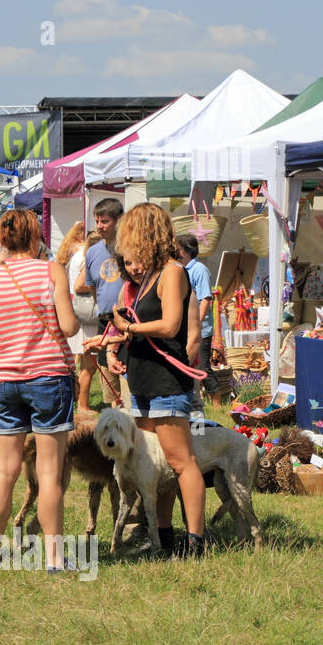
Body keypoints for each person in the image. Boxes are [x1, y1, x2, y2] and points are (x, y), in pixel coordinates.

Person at [0, 209, 78, 572]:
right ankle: (53, 558)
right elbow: (69, 326)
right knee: (48, 472)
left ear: (1, 239)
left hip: (4, 381)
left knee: (4, 471)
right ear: (35, 238)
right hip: (49, 376)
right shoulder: (51, 270)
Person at [105, 204, 206, 557]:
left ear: (145, 234)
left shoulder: (172, 272)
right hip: (144, 380)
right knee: (156, 464)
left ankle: (196, 543)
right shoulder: (146, 277)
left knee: (180, 462)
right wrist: (112, 345)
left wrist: (127, 328)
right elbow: (137, 325)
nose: (124, 244)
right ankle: (164, 539)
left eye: (129, 234)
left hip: (167, 381)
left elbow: (170, 326)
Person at [78, 198, 125, 407]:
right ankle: (115, 411)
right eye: (97, 221)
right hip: (105, 320)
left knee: (125, 372)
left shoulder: (128, 248)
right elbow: (94, 288)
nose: (99, 226)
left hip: (127, 317)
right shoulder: (92, 252)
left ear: (118, 221)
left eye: (105, 221)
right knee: (107, 375)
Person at [57, 222, 101, 411]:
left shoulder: (77, 255)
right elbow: (78, 284)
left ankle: (77, 403)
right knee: (88, 366)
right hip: (87, 314)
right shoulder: (87, 257)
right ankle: (83, 405)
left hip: (79, 313)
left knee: (82, 364)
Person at [177, 233, 220, 410]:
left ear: (187, 251)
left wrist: (196, 323)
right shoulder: (181, 270)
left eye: (178, 250)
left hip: (200, 330)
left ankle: (218, 403)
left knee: (203, 367)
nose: (175, 253)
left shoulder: (199, 270)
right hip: (186, 328)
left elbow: (205, 299)